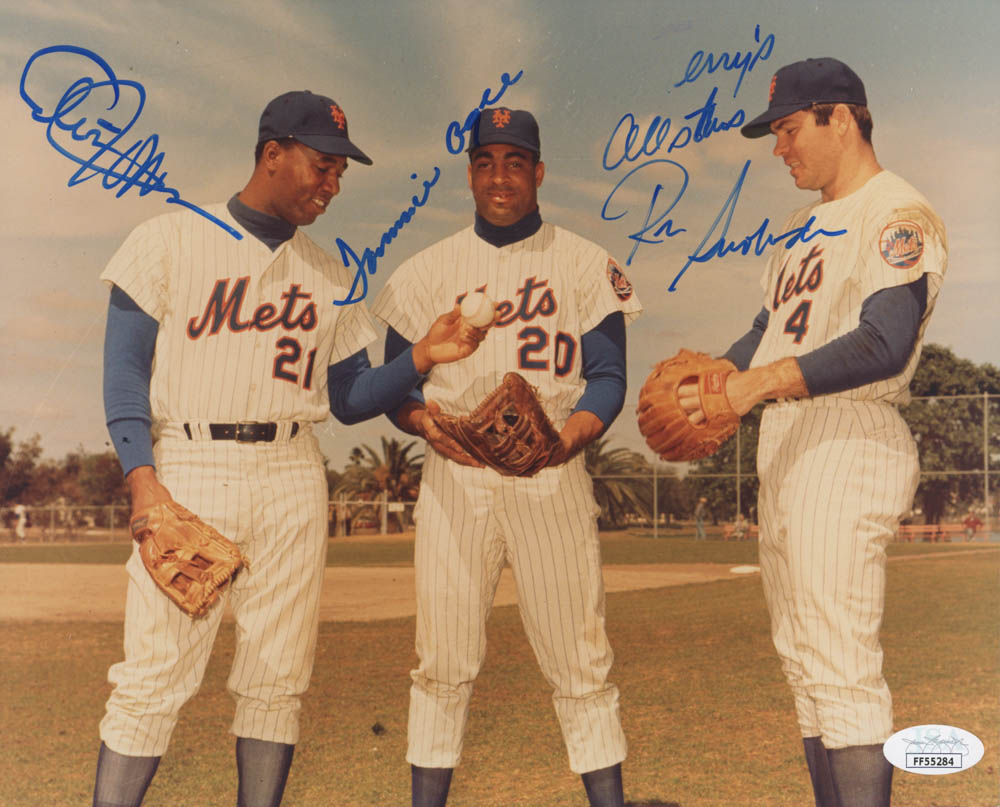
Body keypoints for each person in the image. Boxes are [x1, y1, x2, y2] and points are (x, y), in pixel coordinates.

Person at [92, 90, 487, 807]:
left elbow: (351, 398)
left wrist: (425, 354)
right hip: (191, 466)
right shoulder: (169, 238)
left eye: (341, 172)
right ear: (271, 153)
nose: (332, 185)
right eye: (321, 165)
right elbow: (123, 368)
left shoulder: (329, 273)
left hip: (294, 472)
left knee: (277, 682)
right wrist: (143, 481)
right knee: (153, 676)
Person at [677, 58, 946, 806]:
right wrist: (702, 385)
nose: (778, 147)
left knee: (840, 664)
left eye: (790, 129)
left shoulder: (898, 212)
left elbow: (882, 343)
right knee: (804, 667)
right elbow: (762, 339)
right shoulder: (799, 235)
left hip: (849, 436)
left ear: (844, 117)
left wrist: (752, 385)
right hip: (789, 442)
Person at [371, 107, 641, 807]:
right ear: (469, 172)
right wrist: (424, 422)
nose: (499, 175)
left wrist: (568, 439)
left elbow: (608, 374)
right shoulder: (426, 270)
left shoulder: (584, 261)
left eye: (515, 161)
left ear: (539, 172)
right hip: (457, 476)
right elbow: (394, 381)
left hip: (550, 476)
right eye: (486, 161)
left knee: (580, 660)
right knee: (442, 662)